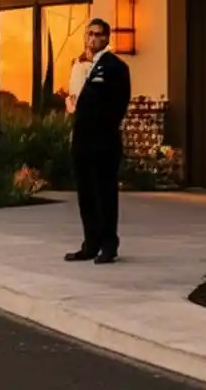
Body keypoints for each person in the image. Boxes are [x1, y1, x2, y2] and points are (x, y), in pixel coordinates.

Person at [63, 18, 131, 265]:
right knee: (86, 194)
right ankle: (90, 243)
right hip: (81, 139)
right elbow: (74, 99)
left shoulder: (115, 67)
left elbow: (118, 104)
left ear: (107, 38)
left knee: (105, 193)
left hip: (103, 140)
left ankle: (108, 245)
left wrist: (101, 125)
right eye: (89, 34)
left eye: (98, 34)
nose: (93, 39)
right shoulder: (78, 66)